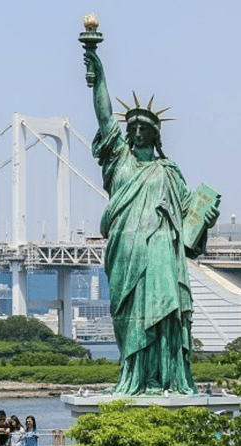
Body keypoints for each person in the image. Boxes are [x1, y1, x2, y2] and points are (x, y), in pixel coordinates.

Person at [84, 45, 220, 395]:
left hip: (161, 248)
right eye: (133, 126)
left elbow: (188, 220)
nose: (138, 131)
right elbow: (103, 116)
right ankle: (134, 378)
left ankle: (167, 379)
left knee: (166, 313)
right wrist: (98, 76)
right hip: (126, 249)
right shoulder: (118, 160)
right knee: (130, 317)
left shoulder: (169, 171)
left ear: (155, 134)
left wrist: (206, 218)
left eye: (145, 126)